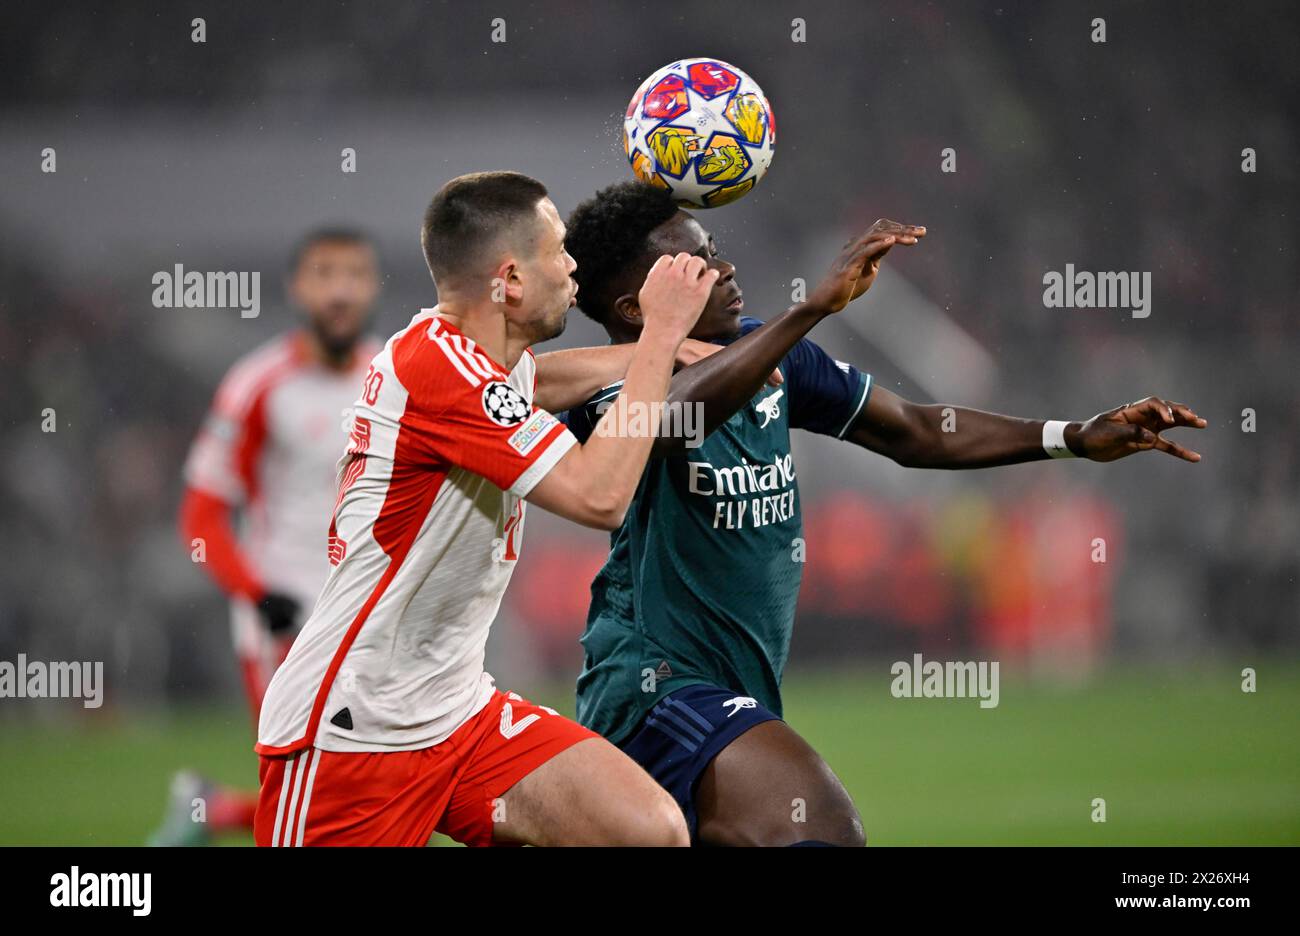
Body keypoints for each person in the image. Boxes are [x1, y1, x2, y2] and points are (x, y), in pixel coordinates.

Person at [561, 180, 1207, 846]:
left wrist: (1070, 436)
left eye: (716, 251)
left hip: (737, 686)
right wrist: (810, 309)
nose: (724, 271)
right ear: (637, 308)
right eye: (695, 268)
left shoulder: (776, 361)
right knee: (819, 824)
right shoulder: (607, 394)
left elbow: (916, 431)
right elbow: (671, 418)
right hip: (653, 689)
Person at [253, 171, 719, 846]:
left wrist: (655, 354)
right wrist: (657, 337)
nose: (572, 266)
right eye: (558, 250)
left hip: (457, 713)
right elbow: (600, 495)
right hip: (353, 731)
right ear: (510, 280)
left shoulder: (482, 356)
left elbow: (540, 382)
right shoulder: (441, 372)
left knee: (647, 832)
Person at [152, 228, 383, 845]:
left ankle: (210, 808)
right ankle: (215, 809)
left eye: (354, 274)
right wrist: (259, 595)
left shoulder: (396, 373)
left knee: (367, 783)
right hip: (285, 619)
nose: (340, 291)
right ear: (296, 287)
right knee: (308, 789)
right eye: (324, 274)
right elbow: (201, 515)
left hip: (371, 614)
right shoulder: (257, 384)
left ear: (374, 286)